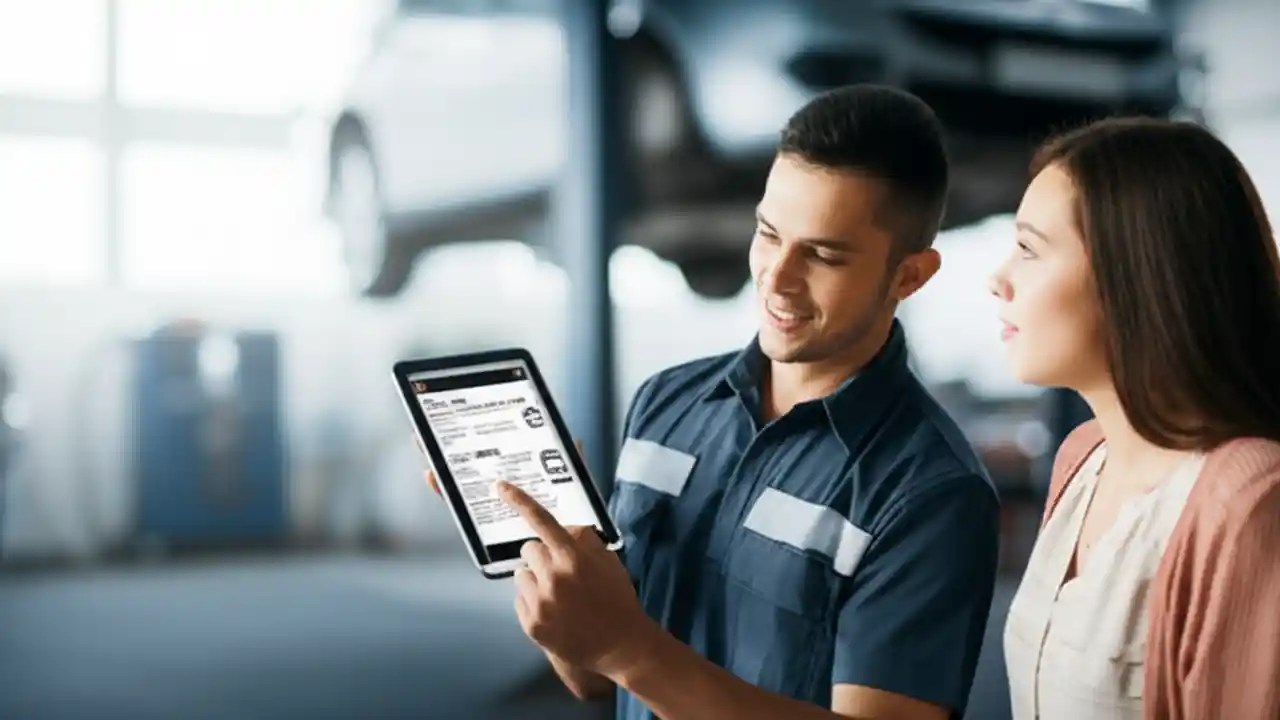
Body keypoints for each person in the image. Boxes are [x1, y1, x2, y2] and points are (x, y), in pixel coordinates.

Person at [429, 84, 999, 720]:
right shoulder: (665, 407)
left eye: (823, 255)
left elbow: (624, 657)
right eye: (768, 233)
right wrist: (549, 557)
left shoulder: (930, 492)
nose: (777, 278)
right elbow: (597, 681)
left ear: (910, 276)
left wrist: (628, 648)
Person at [992, 117, 1280, 719]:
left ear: (1136, 274)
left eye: (1028, 249)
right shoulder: (1083, 455)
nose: (999, 280)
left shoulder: (1249, 501)